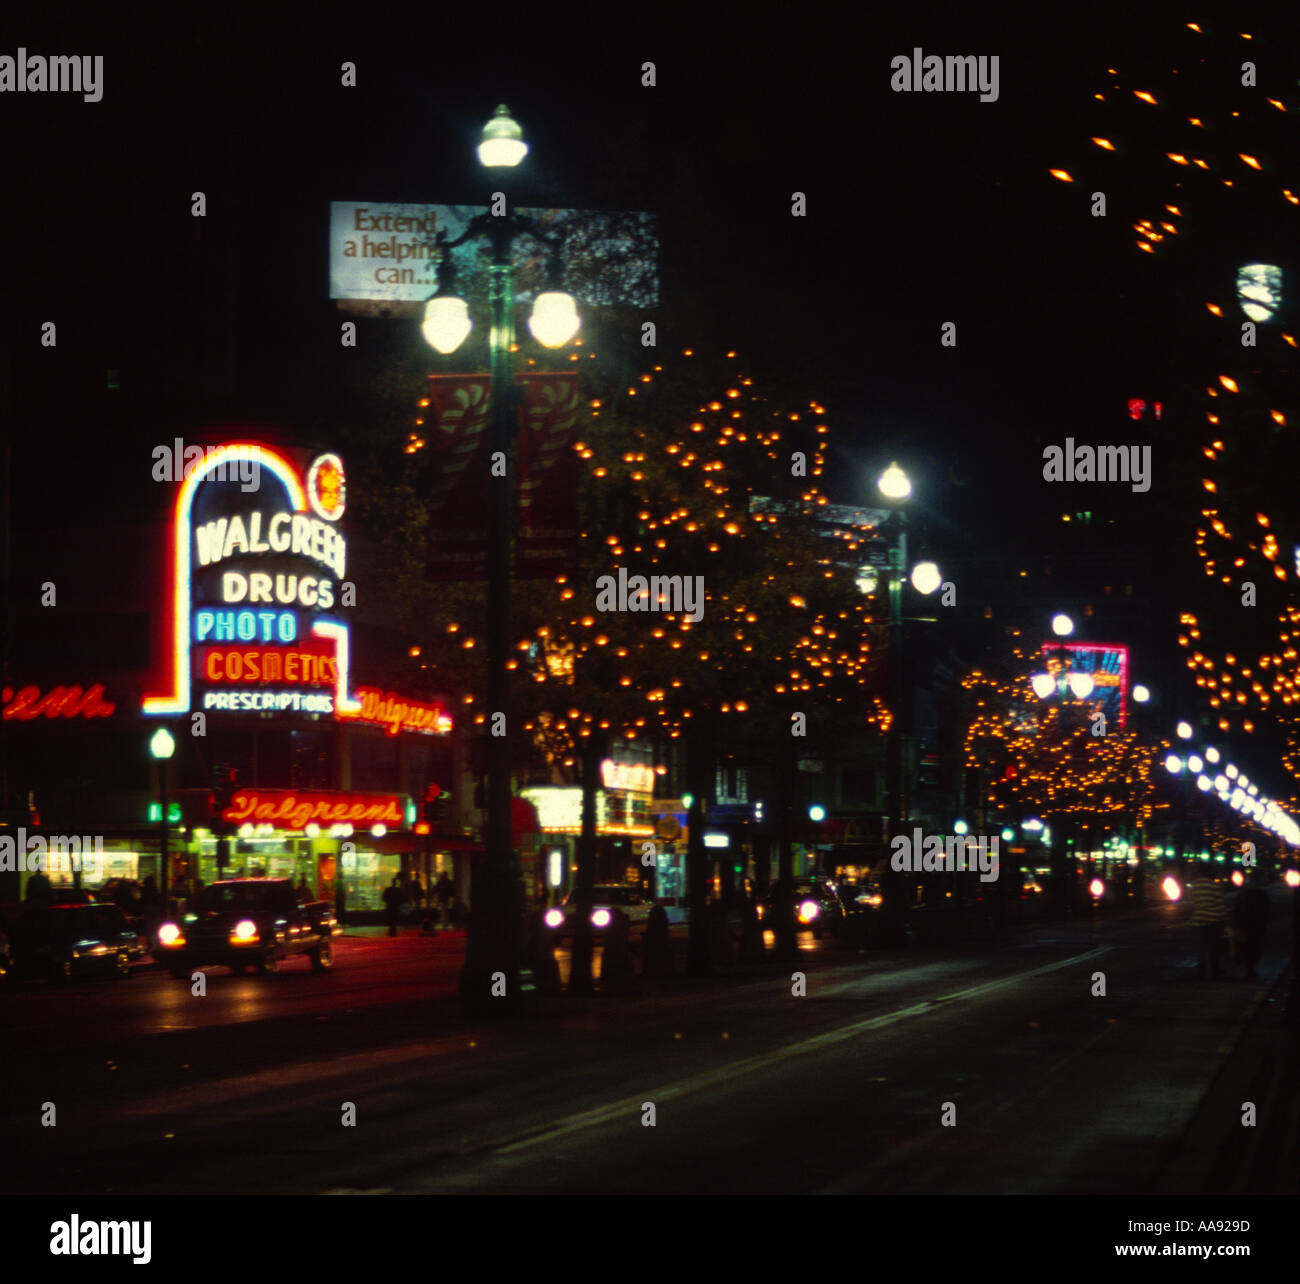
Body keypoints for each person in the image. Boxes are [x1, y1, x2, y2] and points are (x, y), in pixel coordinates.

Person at [1186, 863, 1229, 980]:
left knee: (1201, 948)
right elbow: (1221, 904)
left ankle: (1201, 973)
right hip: (1213, 921)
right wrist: (1225, 919)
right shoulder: (1213, 886)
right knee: (1214, 948)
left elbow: (1191, 903)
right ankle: (1214, 971)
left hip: (1198, 921)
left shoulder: (1193, 886)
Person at [1231, 873, 1271, 980]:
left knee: (1246, 947)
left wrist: (1236, 925)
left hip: (1245, 925)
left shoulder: (1242, 895)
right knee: (1256, 947)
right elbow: (1267, 911)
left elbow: (1237, 911)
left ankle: (1247, 967)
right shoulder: (1262, 895)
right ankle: (1251, 968)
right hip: (1258, 926)